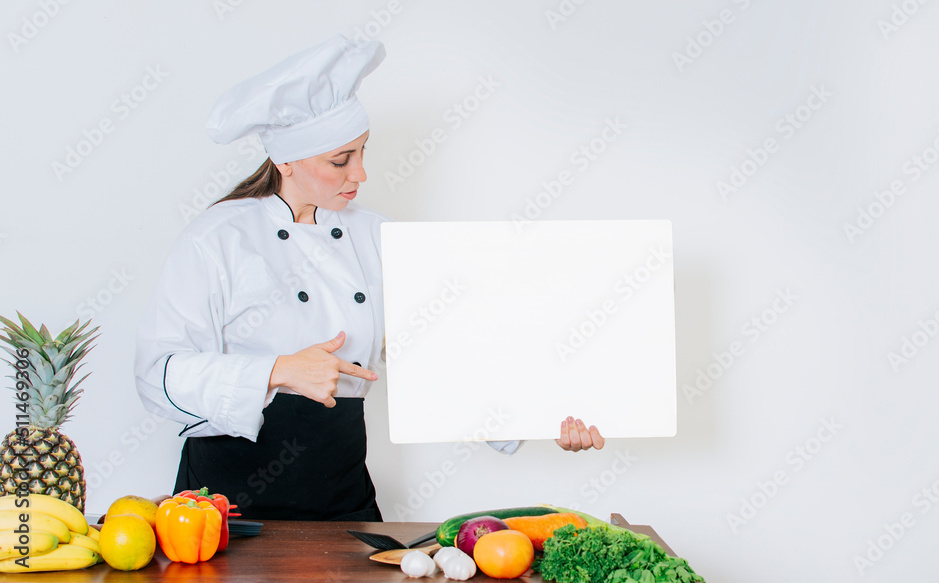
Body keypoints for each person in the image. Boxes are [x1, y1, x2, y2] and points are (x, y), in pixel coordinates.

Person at [134, 35, 604, 522]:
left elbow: (440, 356)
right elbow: (157, 374)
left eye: (362, 152)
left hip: (338, 487)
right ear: (285, 161)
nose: (360, 174)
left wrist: (544, 415)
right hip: (222, 496)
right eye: (340, 160)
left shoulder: (377, 236)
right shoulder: (216, 238)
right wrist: (278, 370)